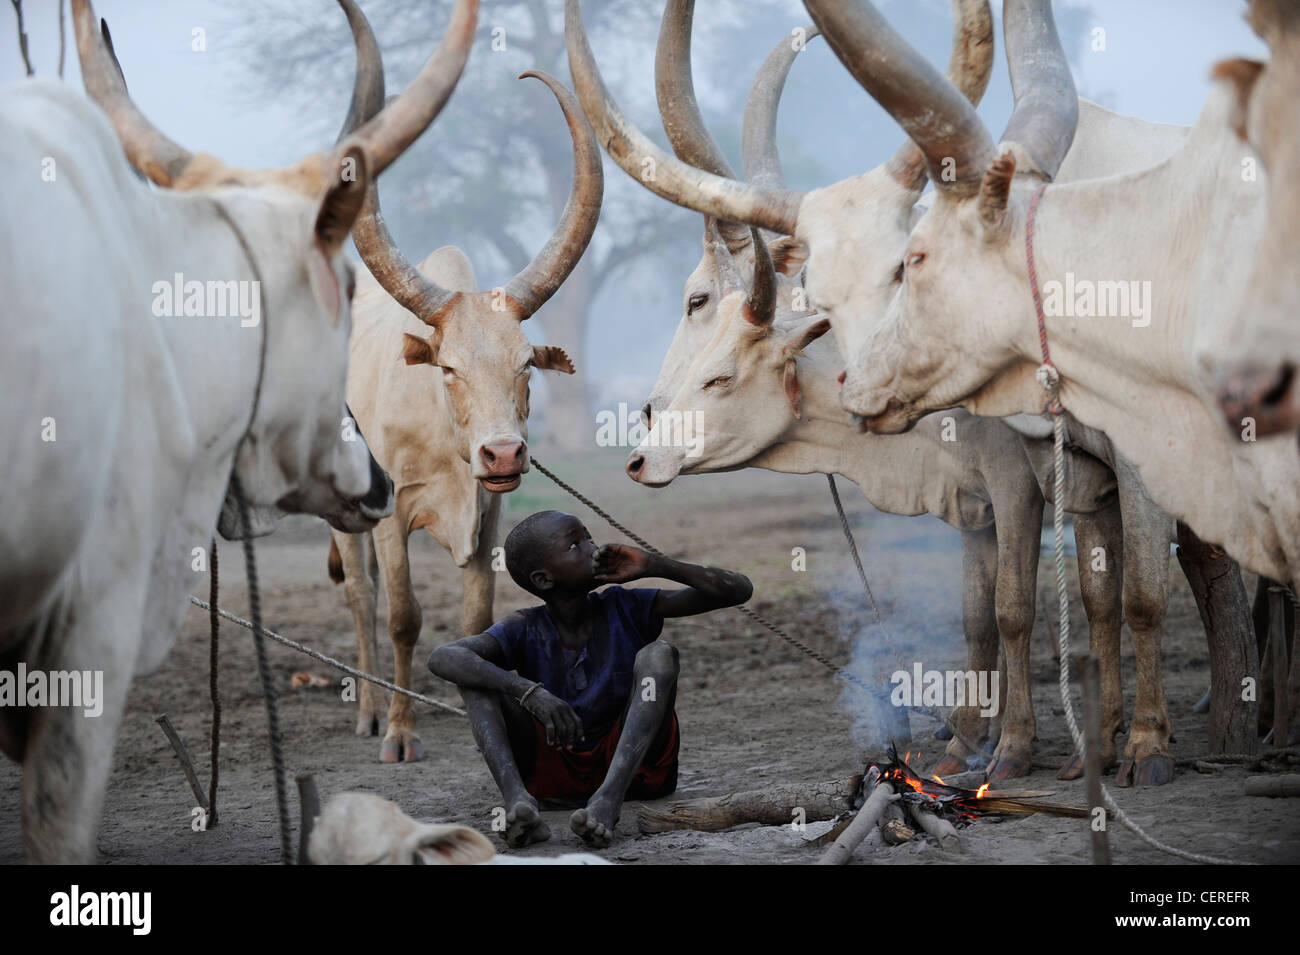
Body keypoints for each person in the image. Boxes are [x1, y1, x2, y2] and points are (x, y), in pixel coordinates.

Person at [428, 509, 752, 848]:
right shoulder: (524, 627)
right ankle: (519, 803)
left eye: (589, 537)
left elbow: (737, 590)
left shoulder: (625, 605)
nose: (594, 549)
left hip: (637, 774)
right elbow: (443, 658)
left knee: (658, 654)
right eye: (574, 545)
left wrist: (655, 565)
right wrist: (528, 692)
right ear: (543, 579)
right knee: (475, 678)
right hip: (552, 778)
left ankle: (608, 800)